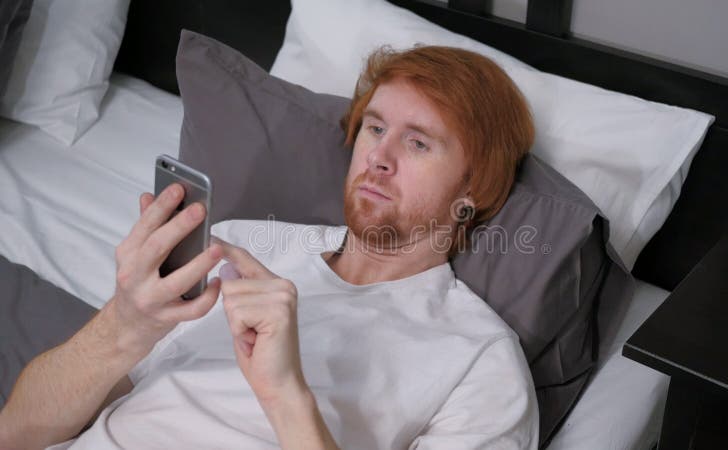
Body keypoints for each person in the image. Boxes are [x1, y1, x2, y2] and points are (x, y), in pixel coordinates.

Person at [0, 45, 537, 449]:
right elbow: (16, 432)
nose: (378, 156)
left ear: (475, 188)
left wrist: (285, 394)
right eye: (374, 128)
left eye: (417, 142)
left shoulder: (481, 359)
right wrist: (124, 324)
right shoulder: (237, 245)